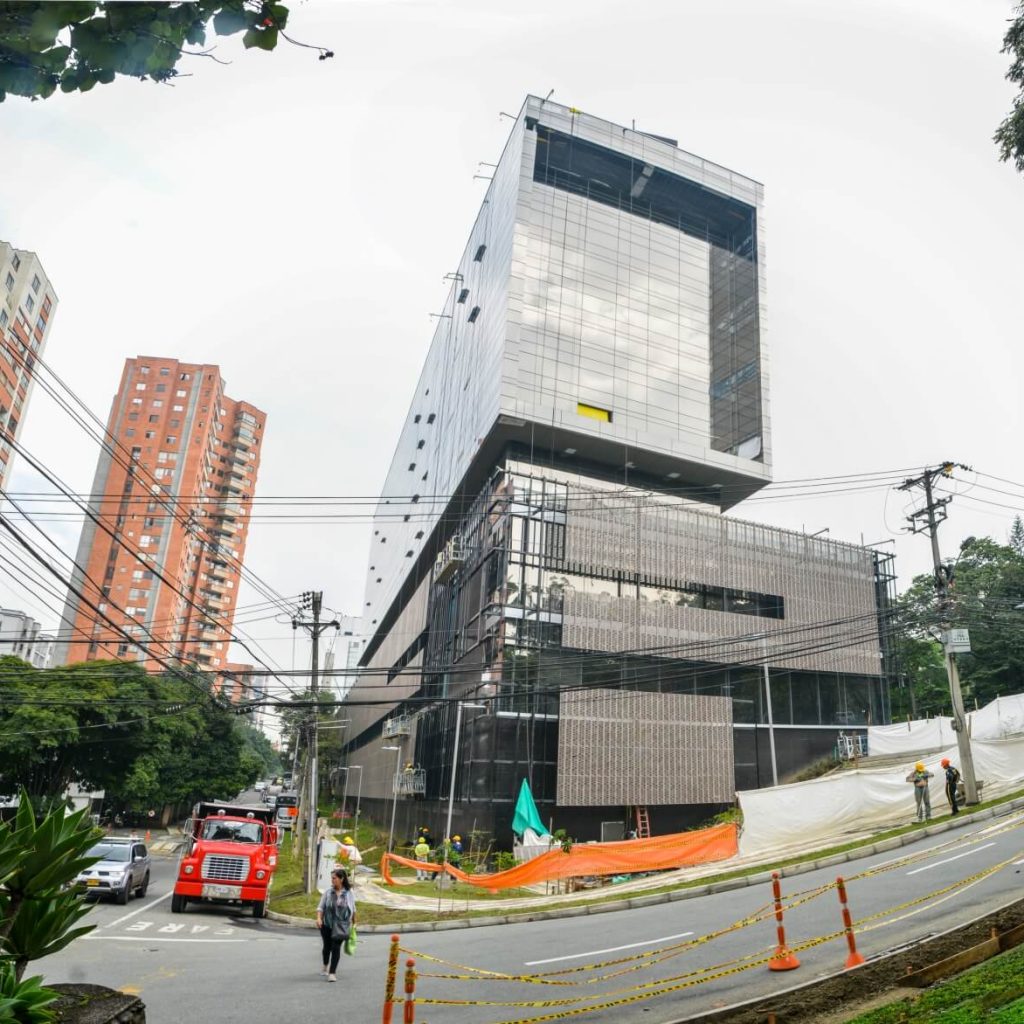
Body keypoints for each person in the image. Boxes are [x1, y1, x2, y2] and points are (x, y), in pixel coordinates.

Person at [315, 869, 356, 982]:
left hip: (342, 926)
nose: (332, 880)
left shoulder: (349, 893)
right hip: (327, 925)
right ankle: (325, 965)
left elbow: (353, 908)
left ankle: (332, 973)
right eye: (332, 878)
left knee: (336, 948)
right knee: (327, 948)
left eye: (334, 878)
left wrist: (354, 923)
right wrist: (319, 918)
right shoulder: (328, 892)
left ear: (341, 879)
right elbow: (321, 907)